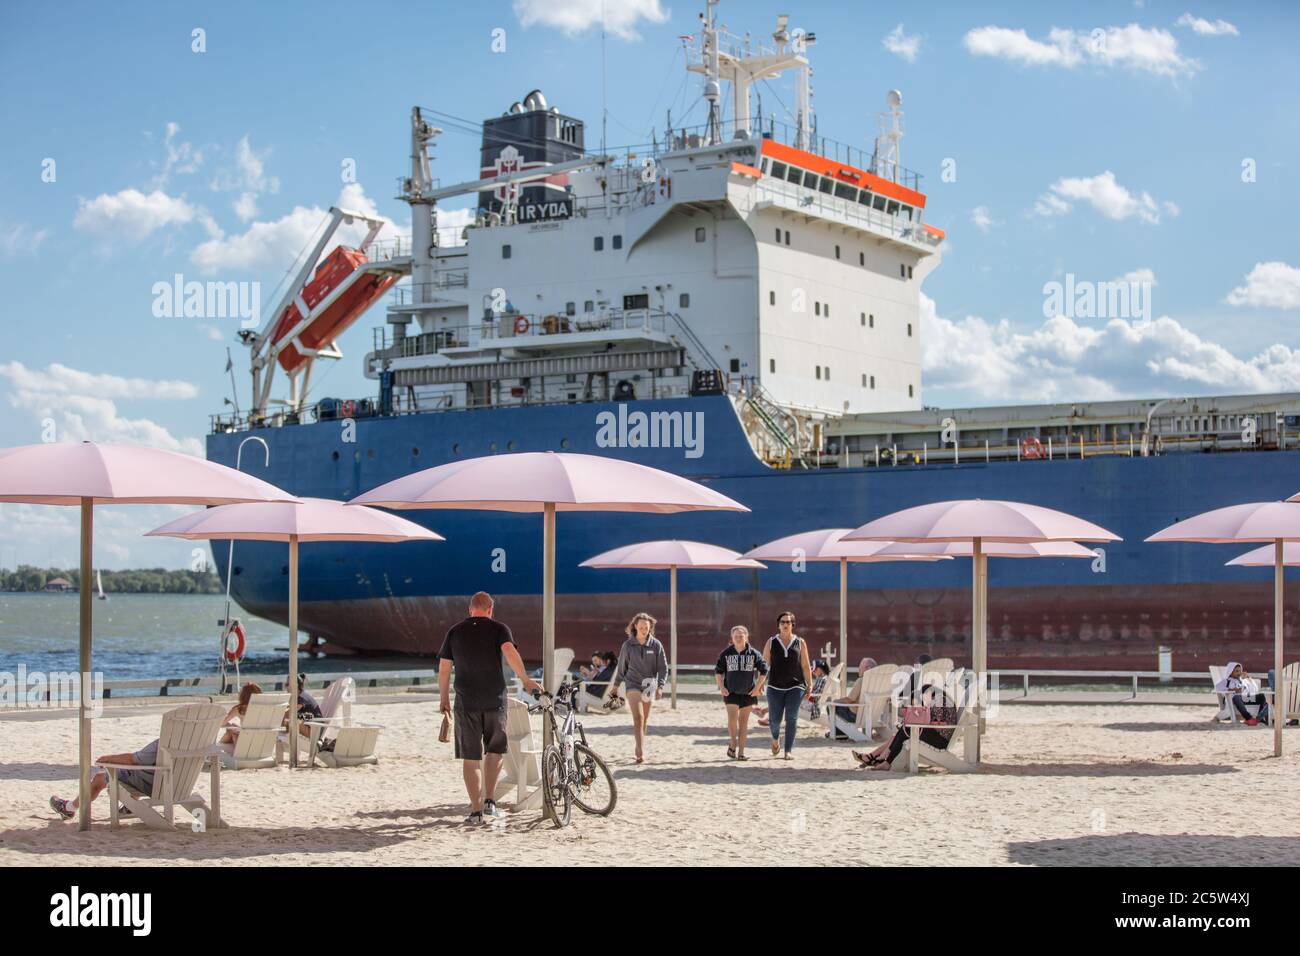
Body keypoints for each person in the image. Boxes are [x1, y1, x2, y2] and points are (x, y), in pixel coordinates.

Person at [438, 591, 540, 824]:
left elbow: (444, 669)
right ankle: (490, 803)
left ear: (469, 609)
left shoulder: (454, 631)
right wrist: (524, 678)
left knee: (471, 758)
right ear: (490, 610)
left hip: (466, 702)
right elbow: (510, 652)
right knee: (495, 751)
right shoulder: (499, 629)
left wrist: (443, 698)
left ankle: (475, 812)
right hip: (494, 699)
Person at [851, 679, 959, 771]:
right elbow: (934, 720)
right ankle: (882, 759)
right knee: (905, 729)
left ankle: (884, 760)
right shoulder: (940, 698)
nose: (924, 701)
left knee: (906, 730)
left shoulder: (940, 700)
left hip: (939, 739)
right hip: (938, 736)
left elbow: (938, 722)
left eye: (923, 697)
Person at [49, 739, 160, 819]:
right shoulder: (175, 745)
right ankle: (129, 807)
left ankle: (69, 808)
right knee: (134, 771)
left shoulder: (161, 744)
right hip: (174, 789)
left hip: (153, 787)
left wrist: (108, 759)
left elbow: (133, 760)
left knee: (101, 777)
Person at [609, 611, 668, 763]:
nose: (643, 629)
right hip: (633, 684)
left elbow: (663, 668)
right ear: (635, 626)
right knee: (638, 717)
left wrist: (660, 686)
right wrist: (616, 685)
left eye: (646, 627)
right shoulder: (628, 645)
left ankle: (640, 743)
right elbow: (622, 667)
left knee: (645, 719)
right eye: (641, 626)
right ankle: (639, 750)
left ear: (650, 627)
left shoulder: (656, 645)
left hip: (649, 685)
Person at [762, 611, 813, 760]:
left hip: (795, 686)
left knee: (791, 718)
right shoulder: (771, 642)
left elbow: (805, 665)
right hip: (774, 687)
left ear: (792, 625)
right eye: (783, 622)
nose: (785, 624)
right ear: (778, 625)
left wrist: (809, 685)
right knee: (775, 721)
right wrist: (759, 683)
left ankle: (788, 751)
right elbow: (764, 665)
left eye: (788, 622)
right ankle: (775, 739)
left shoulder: (800, 642)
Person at [715, 625, 768, 760]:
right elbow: (718, 672)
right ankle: (733, 742)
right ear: (732, 638)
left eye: (741, 636)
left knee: (743, 723)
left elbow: (764, 670)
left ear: (746, 637)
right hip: (731, 692)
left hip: (748, 693)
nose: (738, 638)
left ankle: (741, 753)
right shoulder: (726, 653)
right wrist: (721, 687)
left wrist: (757, 687)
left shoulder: (753, 653)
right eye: (736, 636)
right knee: (732, 719)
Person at [827, 657, 877, 740]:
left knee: (831, 707)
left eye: (861, 667)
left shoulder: (861, 681)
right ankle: (841, 733)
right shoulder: (878, 682)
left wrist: (834, 701)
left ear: (868, 669)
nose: (859, 669)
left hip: (855, 716)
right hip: (872, 716)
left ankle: (840, 734)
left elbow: (849, 700)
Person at [1215, 661, 1269, 725]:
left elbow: (1255, 689)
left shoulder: (1242, 680)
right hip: (1233, 699)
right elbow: (1217, 687)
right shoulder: (1227, 681)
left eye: (1240, 671)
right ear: (1230, 672)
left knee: (1261, 696)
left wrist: (1248, 678)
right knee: (1236, 697)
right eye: (1236, 671)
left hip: (1245, 698)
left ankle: (1260, 719)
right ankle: (1248, 718)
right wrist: (1232, 690)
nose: (1239, 673)